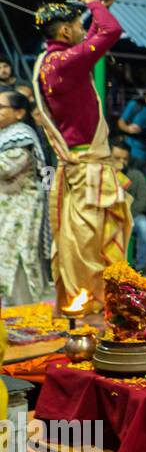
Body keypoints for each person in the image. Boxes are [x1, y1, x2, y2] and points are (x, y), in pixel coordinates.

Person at [30, 0, 132, 313]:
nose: (81, 31)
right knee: (90, 243)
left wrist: (100, 5)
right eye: (76, 27)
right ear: (64, 31)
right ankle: (94, 308)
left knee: (84, 239)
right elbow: (110, 32)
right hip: (87, 167)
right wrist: (92, 3)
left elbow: (93, 40)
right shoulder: (62, 63)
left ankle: (93, 304)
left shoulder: (53, 60)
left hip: (83, 163)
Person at [0, 91, 48, 304]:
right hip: (6, 209)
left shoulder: (20, 136)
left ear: (19, 113)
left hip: (20, 211)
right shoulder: (6, 134)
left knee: (18, 259)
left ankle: (23, 315)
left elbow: (5, 169)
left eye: (1, 107)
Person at [110, 139, 146, 274]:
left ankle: (141, 267)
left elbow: (144, 199)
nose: (121, 162)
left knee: (144, 225)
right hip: (106, 217)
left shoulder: (136, 175)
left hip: (131, 216)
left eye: (125, 159)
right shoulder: (100, 174)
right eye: (117, 158)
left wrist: (126, 214)